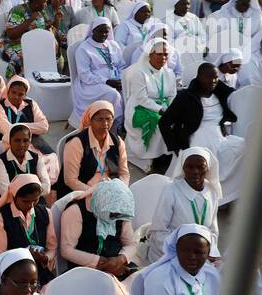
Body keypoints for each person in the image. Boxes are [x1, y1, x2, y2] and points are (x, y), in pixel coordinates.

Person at [59, 178, 138, 295]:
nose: (116, 218)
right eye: (114, 215)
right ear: (102, 203)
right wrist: (99, 262)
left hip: (117, 267)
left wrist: (121, 259)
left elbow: (131, 244)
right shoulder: (76, 211)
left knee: (145, 293)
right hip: (87, 270)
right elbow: (66, 250)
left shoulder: (119, 209)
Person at [158, 62, 244, 196]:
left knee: (244, 148)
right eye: (209, 77)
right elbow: (164, 123)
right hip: (196, 139)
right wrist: (174, 147)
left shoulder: (220, 93)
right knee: (201, 164)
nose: (214, 81)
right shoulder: (185, 97)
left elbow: (237, 96)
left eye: (216, 77)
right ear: (199, 77)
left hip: (219, 138)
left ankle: (225, 194)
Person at [146, 147, 222, 264]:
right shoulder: (171, 191)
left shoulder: (212, 191)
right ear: (183, 168)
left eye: (200, 167)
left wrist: (209, 252)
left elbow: (213, 230)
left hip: (201, 254)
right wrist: (184, 253)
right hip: (170, 253)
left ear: (208, 168)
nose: (195, 171)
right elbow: (158, 231)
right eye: (190, 167)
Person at [0, 174, 58, 286]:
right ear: (14, 197)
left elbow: (52, 247)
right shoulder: (0, 218)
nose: (31, 205)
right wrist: (23, 255)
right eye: (25, 201)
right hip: (13, 276)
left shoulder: (45, 213)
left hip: (40, 272)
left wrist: (46, 257)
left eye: (35, 200)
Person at [123, 37, 178, 173]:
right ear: (150, 54)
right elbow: (141, 98)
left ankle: (164, 156)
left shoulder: (169, 73)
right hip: (141, 106)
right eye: (159, 54)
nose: (163, 57)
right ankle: (148, 158)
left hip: (163, 107)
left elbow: (172, 95)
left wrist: (170, 109)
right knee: (158, 121)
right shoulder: (140, 72)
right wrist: (161, 110)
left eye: (166, 54)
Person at [71, 18, 125, 127]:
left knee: (129, 90)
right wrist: (106, 81)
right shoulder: (84, 48)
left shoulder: (113, 45)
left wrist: (122, 79)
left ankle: (125, 124)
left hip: (115, 81)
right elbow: (84, 75)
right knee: (113, 94)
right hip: (91, 84)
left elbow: (122, 65)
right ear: (93, 31)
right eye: (100, 31)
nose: (104, 34)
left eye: (106, 31)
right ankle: (113, 126)